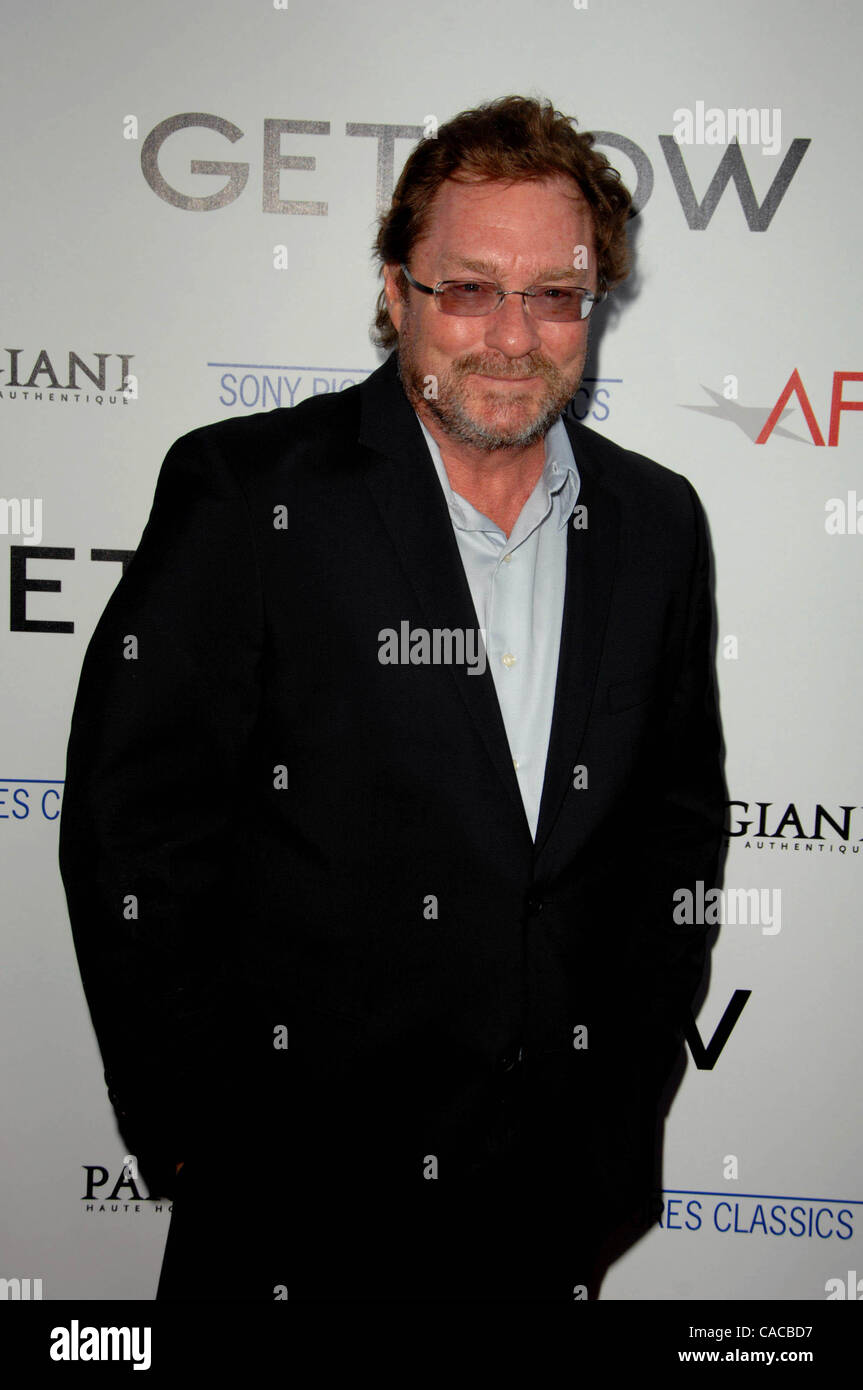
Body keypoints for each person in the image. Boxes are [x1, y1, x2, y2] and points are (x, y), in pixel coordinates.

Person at [59, 94, 726, 1302]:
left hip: (549, 1201)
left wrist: (621, 1094)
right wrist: (196, 1131)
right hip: (291, 1203)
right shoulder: (250, 494)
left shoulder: (656, 522)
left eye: (552, 294)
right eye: (468, 288)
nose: (510, 336)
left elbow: (674, 831)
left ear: (594, 306)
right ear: (394, 292)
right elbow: (133, 835)